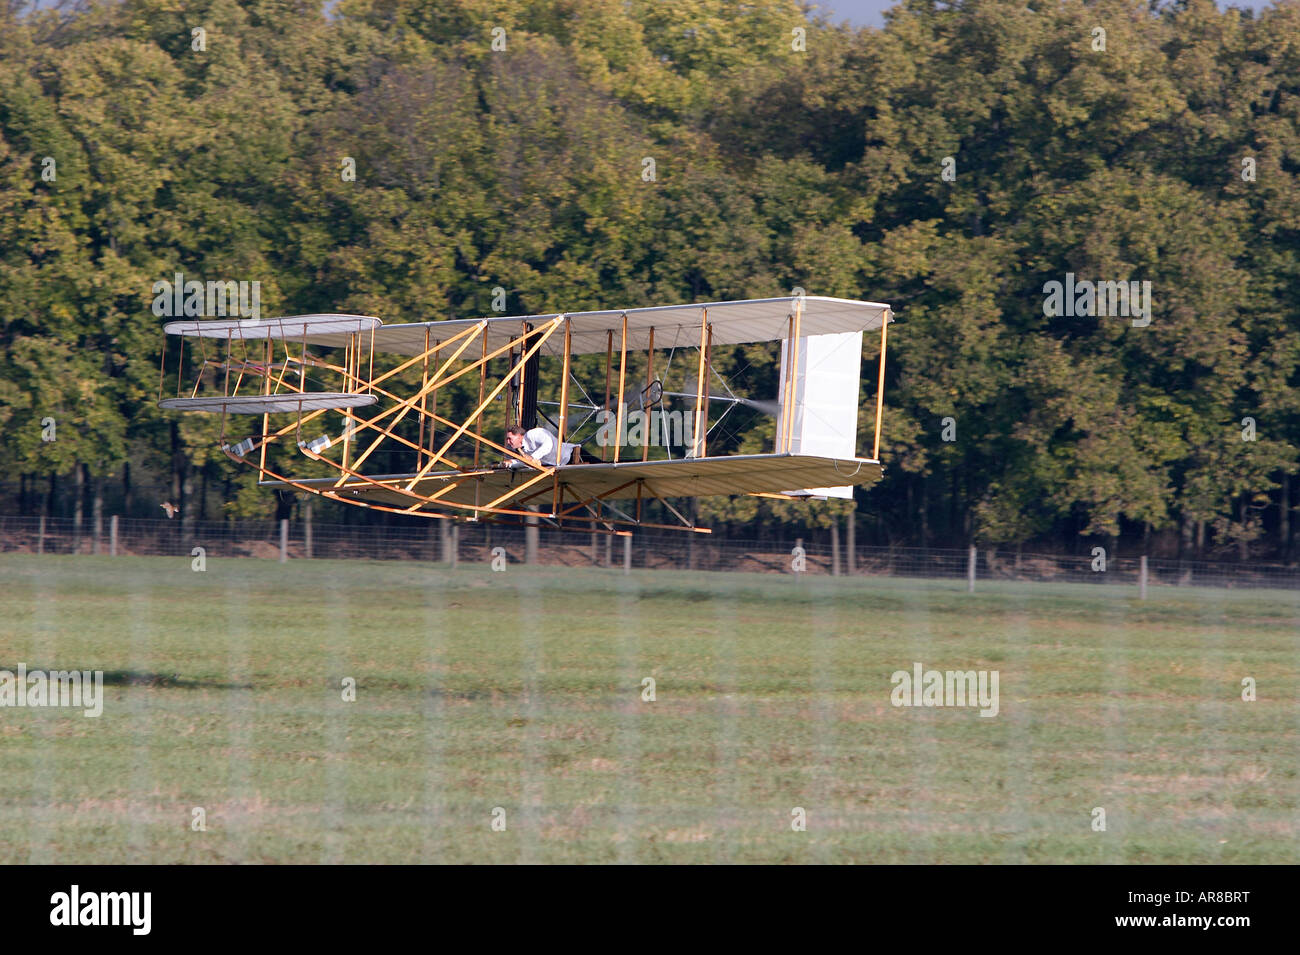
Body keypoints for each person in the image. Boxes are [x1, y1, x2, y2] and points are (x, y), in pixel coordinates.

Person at [504, 424, 585, 467]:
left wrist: (532, 458)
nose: (508, 442)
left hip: (574, 455)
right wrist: (510, 463)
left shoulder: (533, 434)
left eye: (509, 438)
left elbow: (548, 444)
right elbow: (524, 462)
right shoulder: (523, 450)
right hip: (564, 465)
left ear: (519, 436)